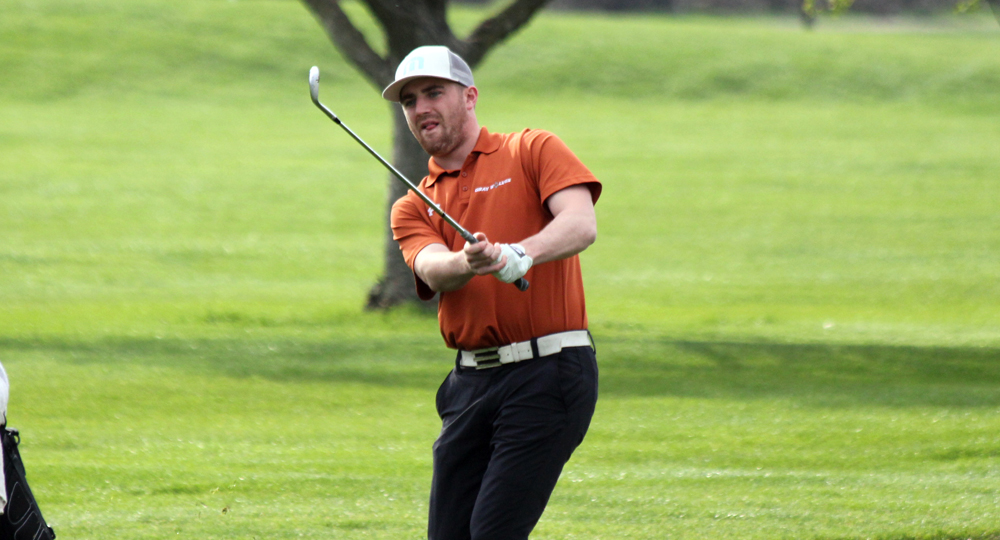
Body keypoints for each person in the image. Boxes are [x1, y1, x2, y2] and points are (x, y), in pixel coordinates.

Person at [384, 46, 602, 540]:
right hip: (468, 387)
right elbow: (432, 268)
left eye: (434, 93)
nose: (421, 108)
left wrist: (521, 254)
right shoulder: (412, 205)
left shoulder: (532, 150)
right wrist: (467, 261)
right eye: (410, 100)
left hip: (548, 373)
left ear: (470, 97)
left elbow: (580, 223)